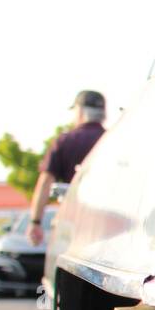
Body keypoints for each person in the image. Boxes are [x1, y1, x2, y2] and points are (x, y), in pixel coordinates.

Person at [26, 90, 107, 246]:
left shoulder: (65, 141)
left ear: (80, 111)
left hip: (73, 225)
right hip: (108, 227)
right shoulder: (113, 139)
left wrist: (35, 222)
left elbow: (45, 183)